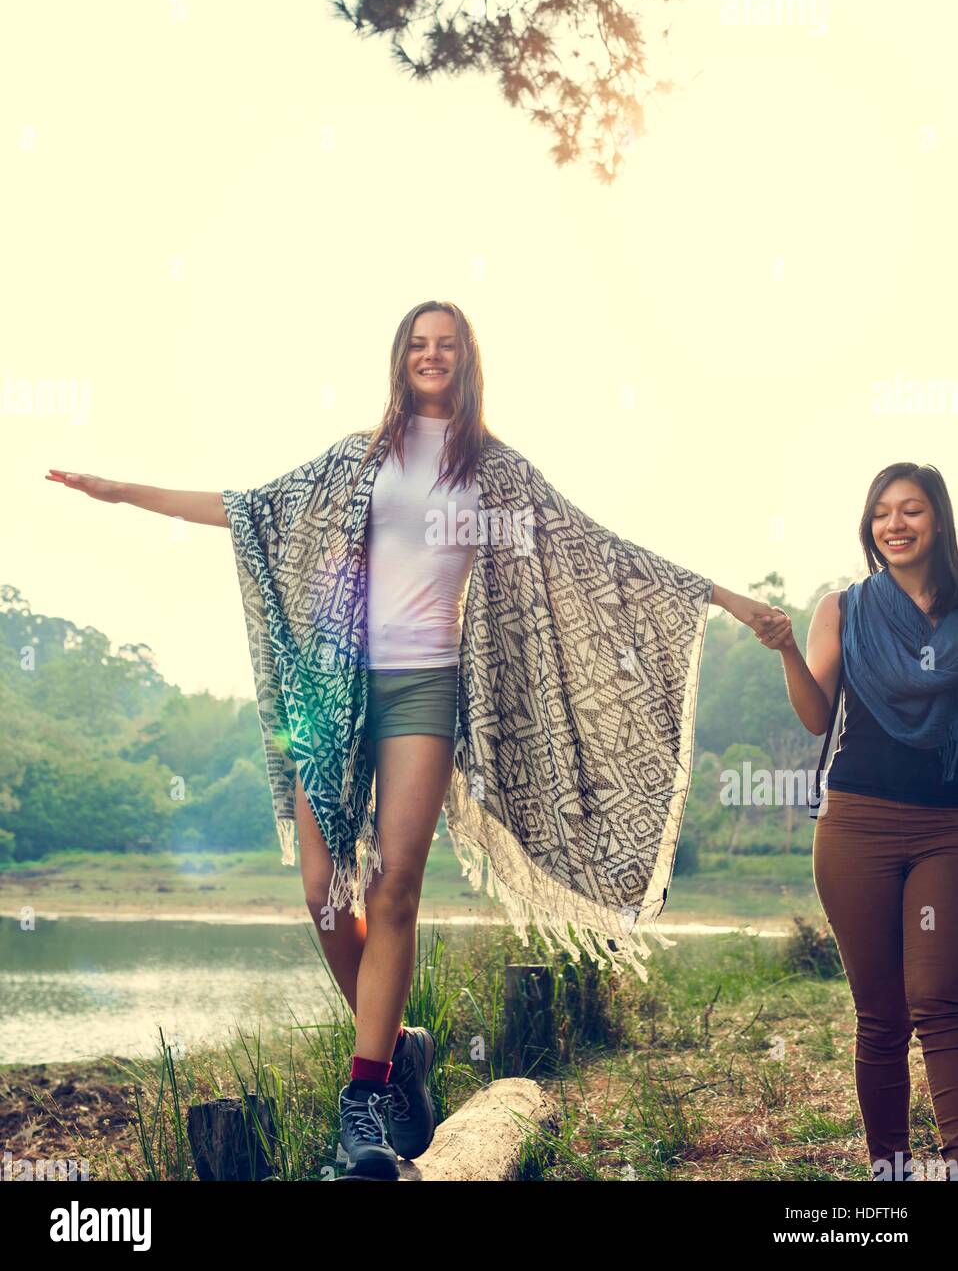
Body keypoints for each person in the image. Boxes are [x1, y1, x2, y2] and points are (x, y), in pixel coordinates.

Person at [47, 299, 776, 1180]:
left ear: (468, 361)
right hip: (333, 685)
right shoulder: (359, 456)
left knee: (393, 888)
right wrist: (123, 492)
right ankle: (405, 1058)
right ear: (400, 360)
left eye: (448, 346)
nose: (432, 357)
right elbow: (252, 511)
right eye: (418, 345)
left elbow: (600, 550)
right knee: (324, 892)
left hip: (428, 688)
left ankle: (365, 1096)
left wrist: (725, 597)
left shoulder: (497, 474)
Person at [757, 463, 958, 1181]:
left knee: (938, 998)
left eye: (911, 510)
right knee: (881, 1016)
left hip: (946, 827)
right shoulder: (843, 608)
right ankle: (893, 1174)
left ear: (938, 521)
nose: (895, 525)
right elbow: (816, 714)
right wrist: (785, 647)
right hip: (856, 826)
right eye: (882, 513)